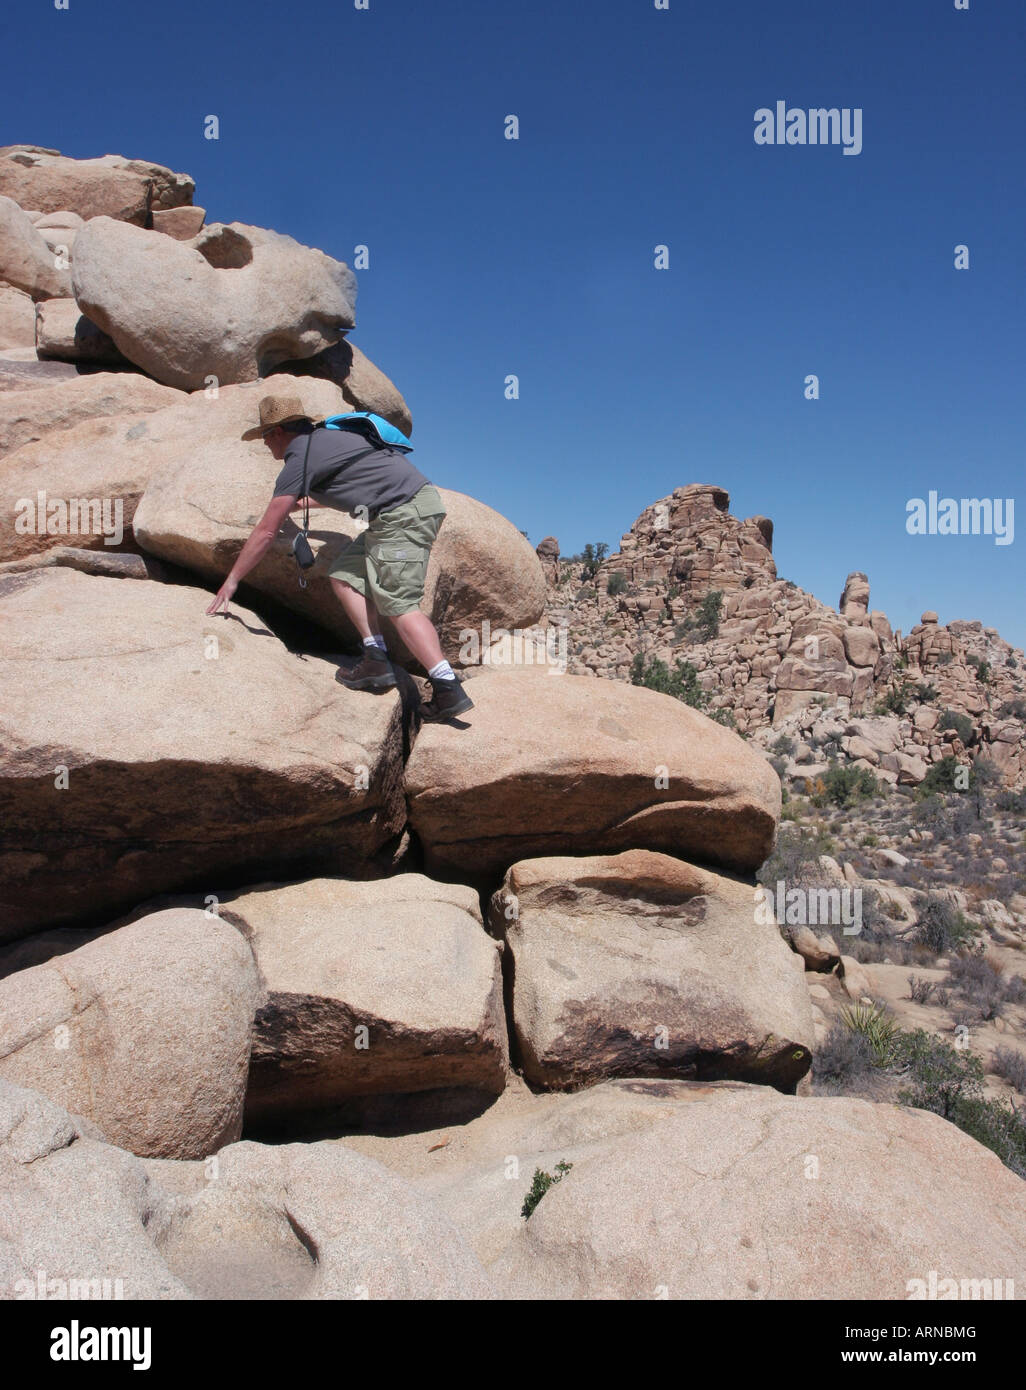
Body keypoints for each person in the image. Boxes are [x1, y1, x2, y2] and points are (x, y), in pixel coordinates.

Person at [205, 394, 474, 722]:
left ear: (277, 432)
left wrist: (231, 581)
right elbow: (352, 484)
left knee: (398, 602)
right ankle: (376, 657)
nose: (265, 445)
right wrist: (303, 505)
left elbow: (264, 532)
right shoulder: (326, 441)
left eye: (265, 437)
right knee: (345, 576)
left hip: (403, 514)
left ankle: (447, 688)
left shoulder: (298, 456)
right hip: (396, 513)